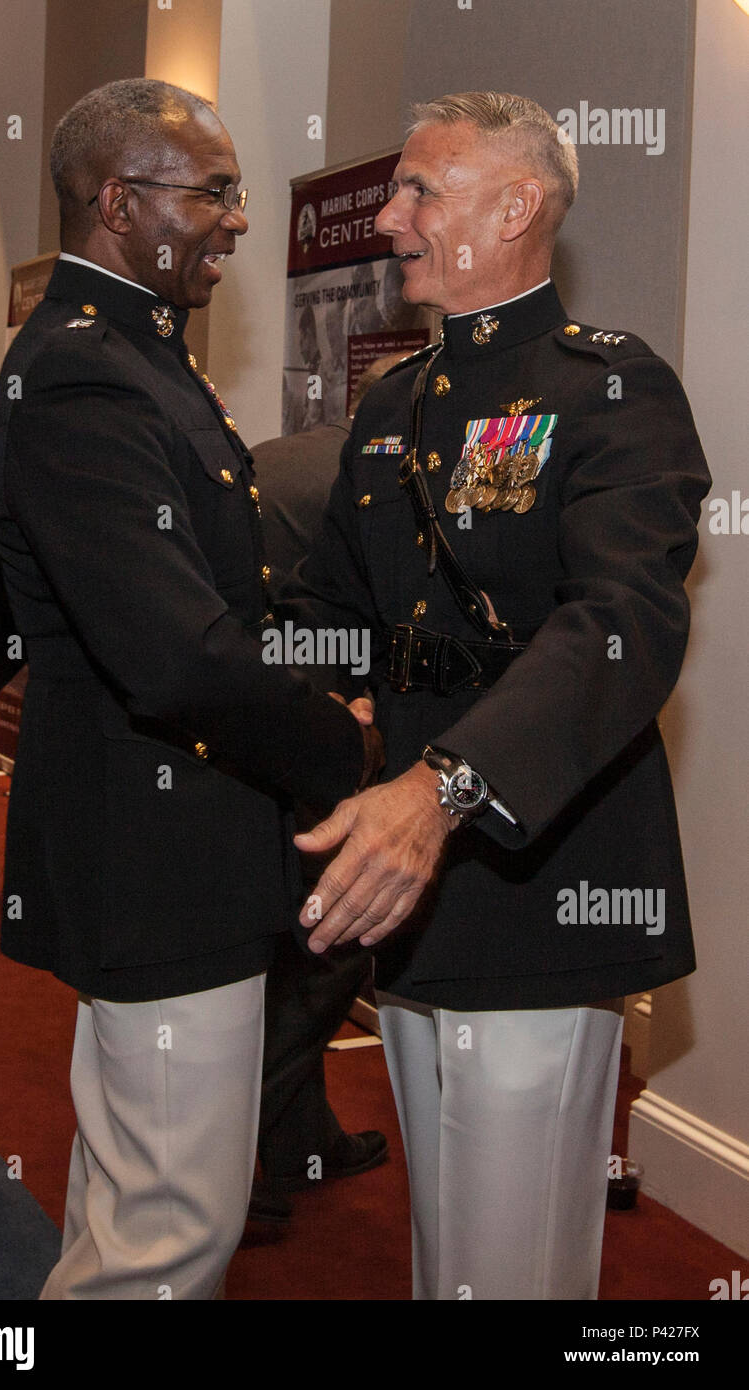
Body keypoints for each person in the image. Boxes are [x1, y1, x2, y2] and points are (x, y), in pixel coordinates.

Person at [281, 91, 710, 1300]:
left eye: (422, 188)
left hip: (537, 860)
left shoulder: (609, 389)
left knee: (510, 1250)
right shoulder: (390, 404)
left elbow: (620, 624)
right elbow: (331, 619)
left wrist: (449, 783)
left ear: (516, 206)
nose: (389, 212)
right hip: (404, 860)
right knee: (444, 1237)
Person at [0, 79, 378, 1300]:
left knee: (125, 1209)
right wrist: (350, 755)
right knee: (170, 1235)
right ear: (118, 204)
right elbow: (178, 653)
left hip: (165, 844)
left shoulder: (133, 358)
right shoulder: (92, 375)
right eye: (211, 192)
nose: (238, 220)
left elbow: (227, 608)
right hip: (157, 858)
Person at [248, 354, 406, 1226]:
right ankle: (247, 1166)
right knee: (332, 942)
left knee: (292, 939)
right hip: (308, 732)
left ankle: (303, 1140)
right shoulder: (377, 473)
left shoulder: (283, 452)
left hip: (244, 730)